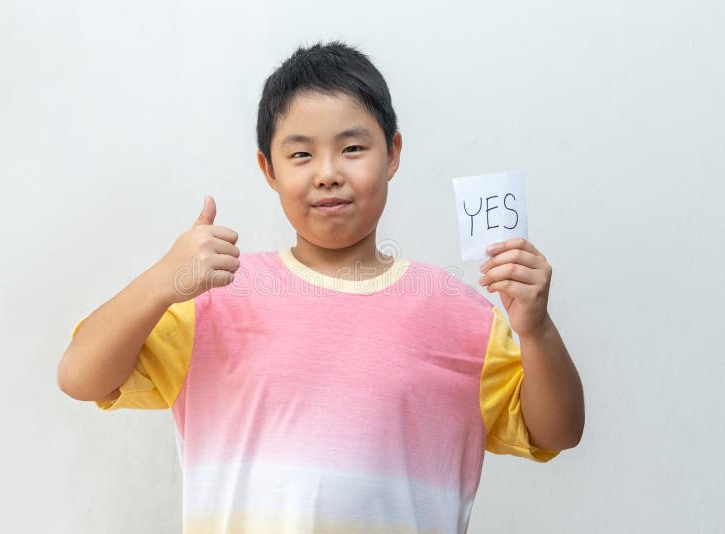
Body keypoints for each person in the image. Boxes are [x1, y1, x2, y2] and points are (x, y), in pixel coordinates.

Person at [58, 40, 584, 534]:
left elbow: (556, 432)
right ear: (268, 168)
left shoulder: (460, 315)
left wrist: (536, 330)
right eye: (301, 154)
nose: (328, 173)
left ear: (393, 153)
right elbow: (79, 376)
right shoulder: (214, 301)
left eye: (352, 147)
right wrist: (162, 281)